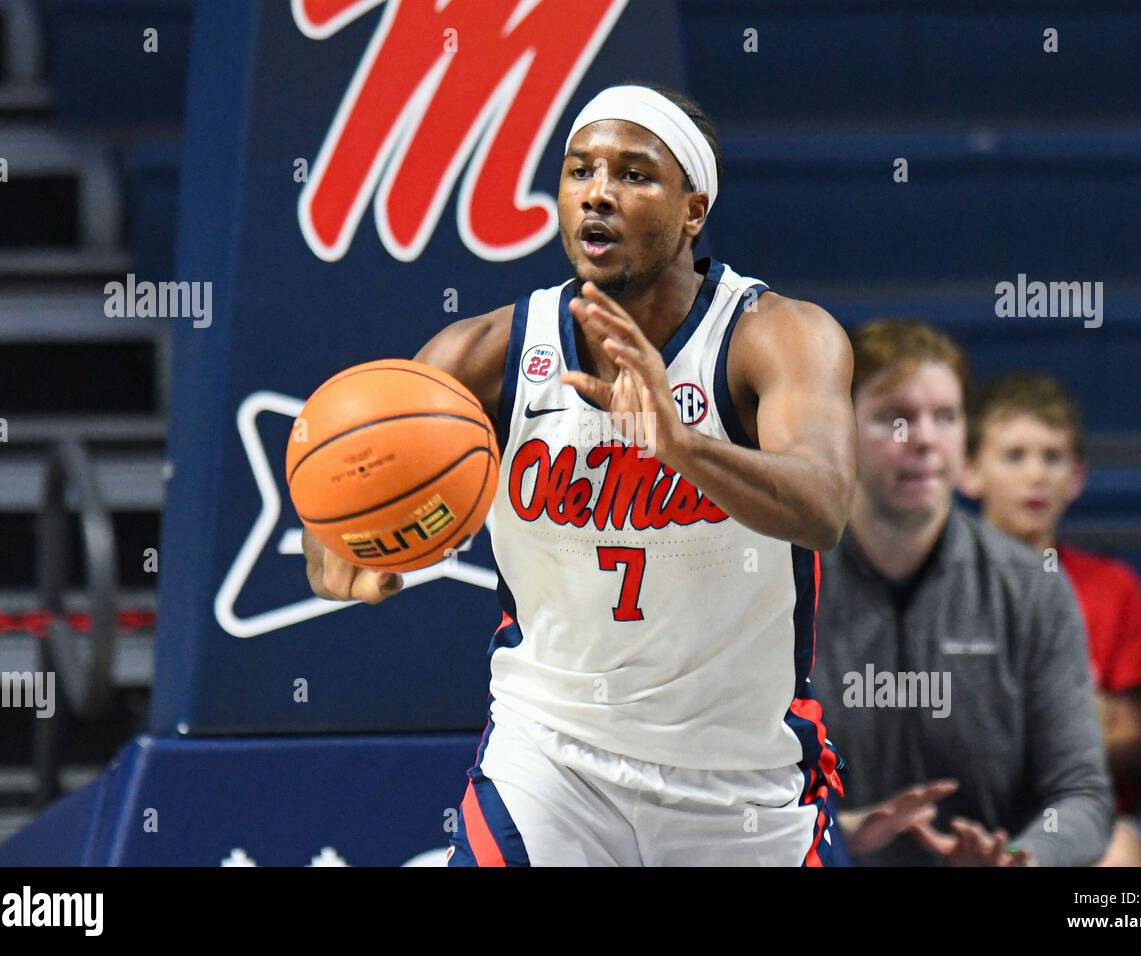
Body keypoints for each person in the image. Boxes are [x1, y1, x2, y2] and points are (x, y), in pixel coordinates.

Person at [302, 84, 857, 865]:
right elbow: (336, 525)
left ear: (694, 211)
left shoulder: (777, 337)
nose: (598, 191)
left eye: (634, 174)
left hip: (741, 781)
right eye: (579, 170)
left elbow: (825, 506)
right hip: (551, 763)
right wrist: (346, 549)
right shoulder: (484, 355)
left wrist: (682, 447)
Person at [808, 319, 1113, 866]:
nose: (924, 438)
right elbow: (740, 789)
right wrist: (840, 834)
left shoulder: (1031, 588)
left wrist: (1021, 858)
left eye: (945, 417)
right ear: (841, 432)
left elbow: (1081, 795)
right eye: (895, 418)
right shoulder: (784, 583)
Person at [960, 371, 1141, 866]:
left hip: (1078, 812)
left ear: (1076, 478)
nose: (1036, 476)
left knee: (1120, 851)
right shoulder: (935, 583)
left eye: (1052, 457)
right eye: (1014, 456)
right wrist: (1074, 718)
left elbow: (1131, 737)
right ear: (968, 471)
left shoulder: (1114, 587)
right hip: (959, 812)